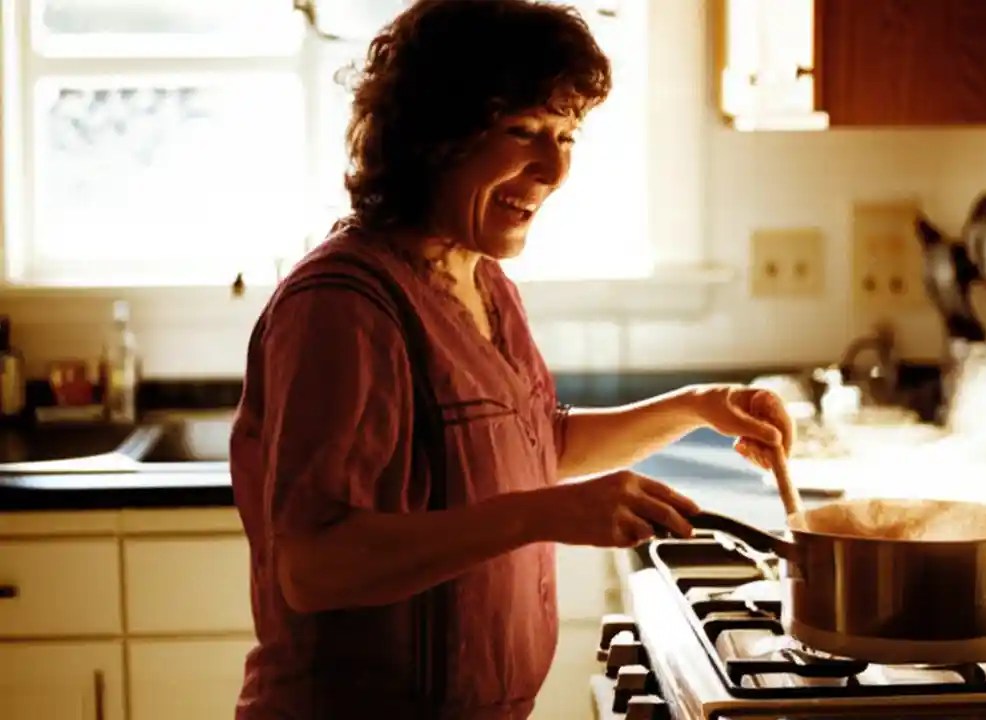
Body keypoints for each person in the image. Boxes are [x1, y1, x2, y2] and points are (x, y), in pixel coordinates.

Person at [228, 1, 794, 718]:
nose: (555, 167)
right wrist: (541, 515)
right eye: (523, 131)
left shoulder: (480, 279)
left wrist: (695, 410)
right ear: (434, 136)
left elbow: (531, 447)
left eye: (566, 134)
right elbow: (316, 564)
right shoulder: (343, 305)